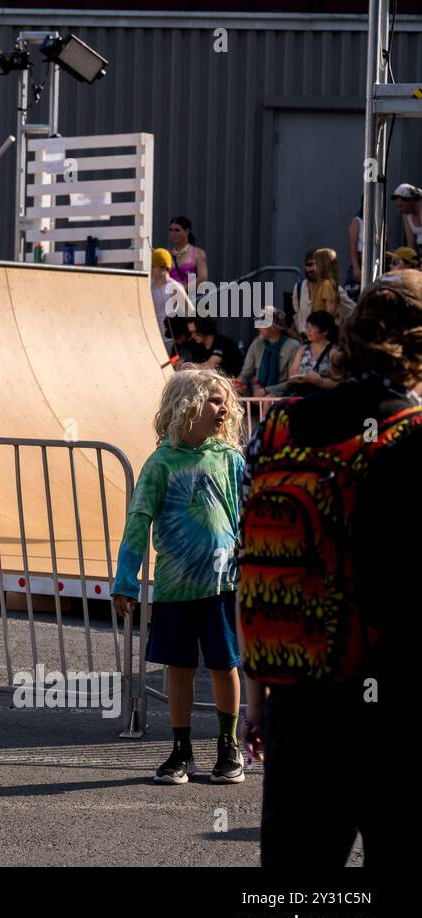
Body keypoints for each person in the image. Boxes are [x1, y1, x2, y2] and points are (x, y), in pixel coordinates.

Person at [239, 271, 422, 866]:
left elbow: (258, 555)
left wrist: (257, 696)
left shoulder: (281, 426)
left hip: (301, 694)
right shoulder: (410, 435)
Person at [112, 369, 247, 785]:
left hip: (223, 586)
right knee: (180, 668)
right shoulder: (161, 463)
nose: (223, 408)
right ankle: (181, 748)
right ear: (186, 406)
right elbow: (139, 520)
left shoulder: (230, 460)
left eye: (226, 402)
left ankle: (228, 745)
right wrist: (125, 580)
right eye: (213, 400)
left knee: (225, 666)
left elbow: (249, 517)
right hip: (174, 586)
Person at [238, 308, 301, 397]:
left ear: (273, 327)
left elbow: (292, 381)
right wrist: (238, 385)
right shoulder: (257, 343)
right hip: (255, 389)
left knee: (269, 399)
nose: (258, 328)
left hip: (280, 393)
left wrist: (266, 390)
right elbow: (245, 373)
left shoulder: (293, 346)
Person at [282, 309, 339, 397]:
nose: (308, 331)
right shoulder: (303, 349)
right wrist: (305, 375)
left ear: (325, 331)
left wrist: (319, 381)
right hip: (301, 397)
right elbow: (292, 374)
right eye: (307, 327)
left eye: (312, 327)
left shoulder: (333, 352)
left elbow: (338, 383)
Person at [150, 247, 193, 357]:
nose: (150, 269)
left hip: (170, 341)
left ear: (164, 267)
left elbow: (191, 312)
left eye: (153, 266)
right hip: (152, 340)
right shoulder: (148, 286)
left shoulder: (174, 287)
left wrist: (185, 336)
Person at [168, 216, 208, 290]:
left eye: (177, 230)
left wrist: (183, 290)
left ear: (187, 231)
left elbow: (203, 278)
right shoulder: (167, 254)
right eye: (171, 230)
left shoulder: (198, 253)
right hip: (169, 298)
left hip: (190, 299)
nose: (173, 233)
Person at [291, 249, 318, 338]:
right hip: (303, 342)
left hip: (324, 344)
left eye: (317, 264)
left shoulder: (333, 288)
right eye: (309, 264)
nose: (313, 268)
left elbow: (351, 311)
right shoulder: (298, 287)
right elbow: (297, 317)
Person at [309, 248, 341, 317]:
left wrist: (319, 324)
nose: (313, 267)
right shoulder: (323, 283)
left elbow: (330, 310)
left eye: (315, 263)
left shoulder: (327, 284)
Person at [391, 182, 422, 251]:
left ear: (410, 200)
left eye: (401, 206)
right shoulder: (406, 214)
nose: (399, 210)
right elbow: (410, 241)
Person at [346, 203, 363, 298]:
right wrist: (356, 267)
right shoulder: (357, 222)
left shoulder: (381, 220)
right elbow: (353, 248)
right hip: (360, 261)